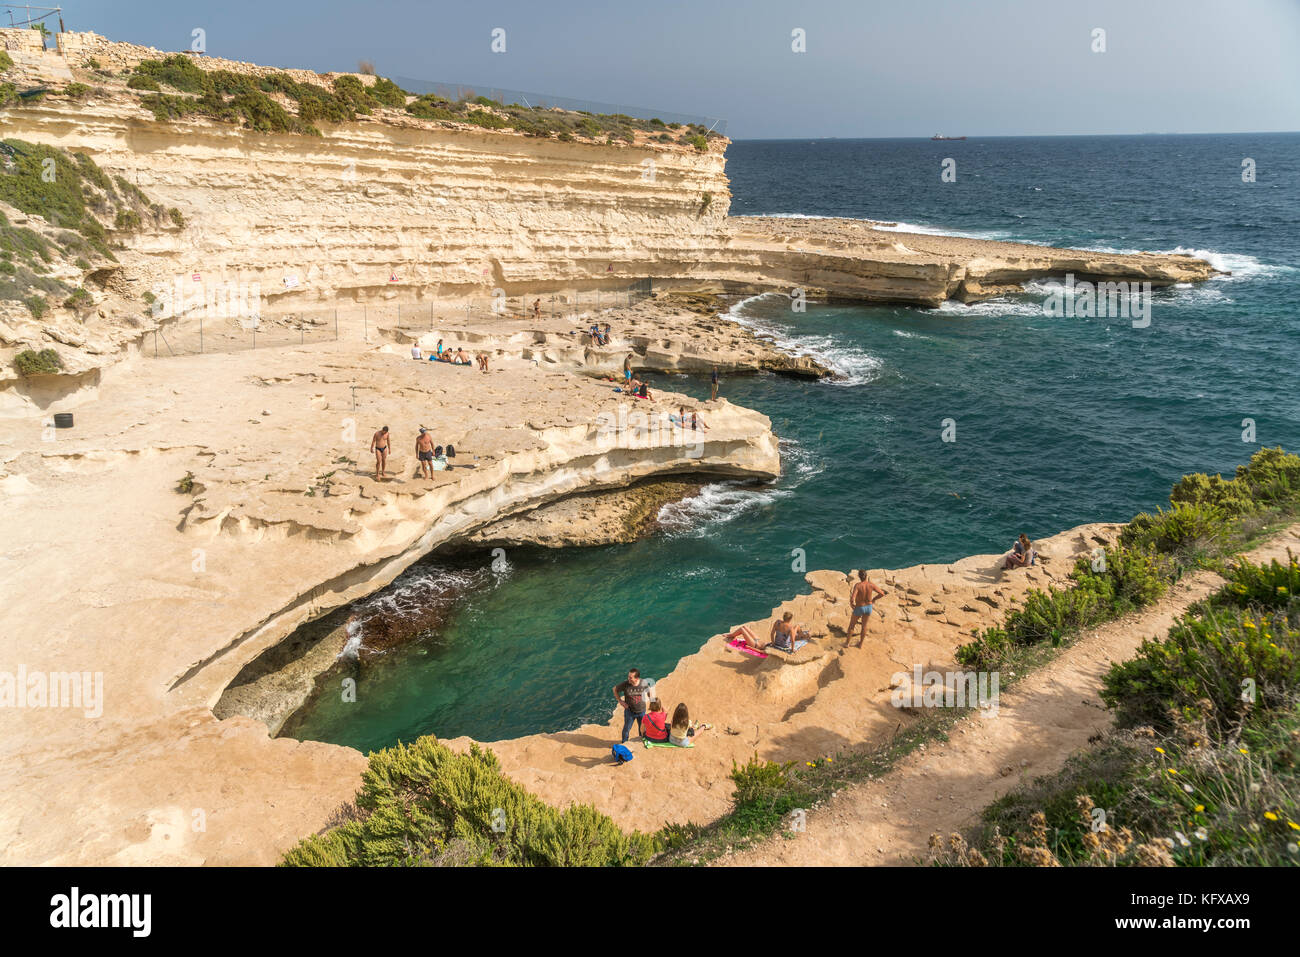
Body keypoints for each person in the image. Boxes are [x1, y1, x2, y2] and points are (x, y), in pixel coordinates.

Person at [613, 668, 657, 743]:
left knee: (642, 728)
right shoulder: (625, 684)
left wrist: (652, 701)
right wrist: (620, 701)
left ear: (636, 679)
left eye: (630, 677)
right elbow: (614, 689)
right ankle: (624, 743)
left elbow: (648, 691)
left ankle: (641, 741)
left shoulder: (643, 683)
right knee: (626, 729)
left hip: (642, 711)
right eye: (628, 677)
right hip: (630, 711)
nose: (628, 679)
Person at [847, 569, 887, 648]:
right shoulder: (871, 585)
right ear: (866, 576)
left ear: (859, 577)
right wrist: (874, 600)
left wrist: (852, 605)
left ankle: (847, 644)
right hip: (868, 607)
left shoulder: (858, 585)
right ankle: (860, 644)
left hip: (859, 607)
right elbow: (882, 593)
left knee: (852, 626)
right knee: (864, 626)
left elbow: (852, 598)